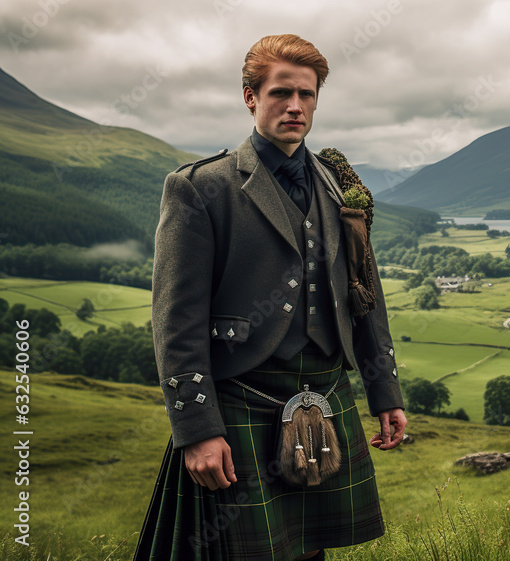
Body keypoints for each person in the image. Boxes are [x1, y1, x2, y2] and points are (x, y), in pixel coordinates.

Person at [134, 34, 406, 561]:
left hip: (327, 392)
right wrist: (196, 430)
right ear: (250, 97)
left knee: (310, 550)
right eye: (281, 92)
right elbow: (176, 321)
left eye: (306, 94)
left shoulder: (338, 184)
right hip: (243, 397)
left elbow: (363, 293)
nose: (295, 106)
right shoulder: (201, 187)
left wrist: (385, 390)